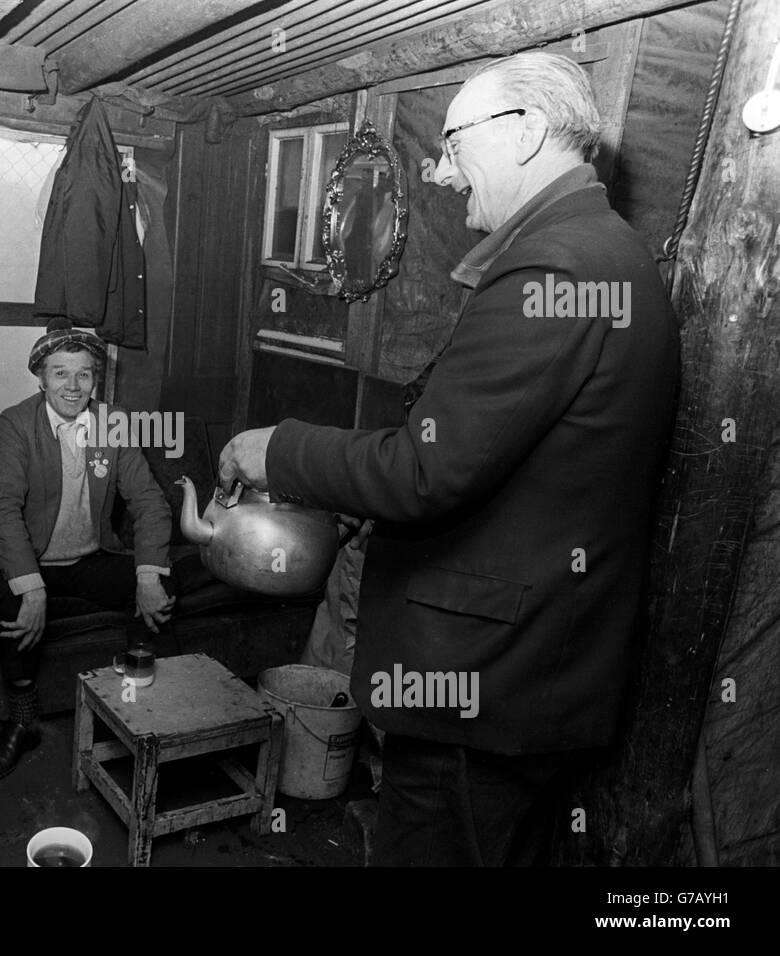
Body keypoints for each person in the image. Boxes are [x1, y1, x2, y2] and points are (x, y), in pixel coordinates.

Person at [219, 52, 679, 866]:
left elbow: (424, 472)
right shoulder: (606, 252)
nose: (439, 172)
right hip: (531, 675)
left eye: (453, 142)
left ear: (527, 131)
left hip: (488, 686)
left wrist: (276, 449)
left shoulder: (554, 266)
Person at [0, 319, 175, 781]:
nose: (72, 385)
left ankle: (134, 704)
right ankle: (21, 724)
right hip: (34, 561)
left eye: (83, 374)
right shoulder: (17, 424)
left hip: (91, 557)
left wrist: (147, 575)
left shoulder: (112, 423)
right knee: (12, 611)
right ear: (41, 378)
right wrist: (31, 587)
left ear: (96, 380)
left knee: (163, 584)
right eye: (60, 373)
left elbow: (148, 501)